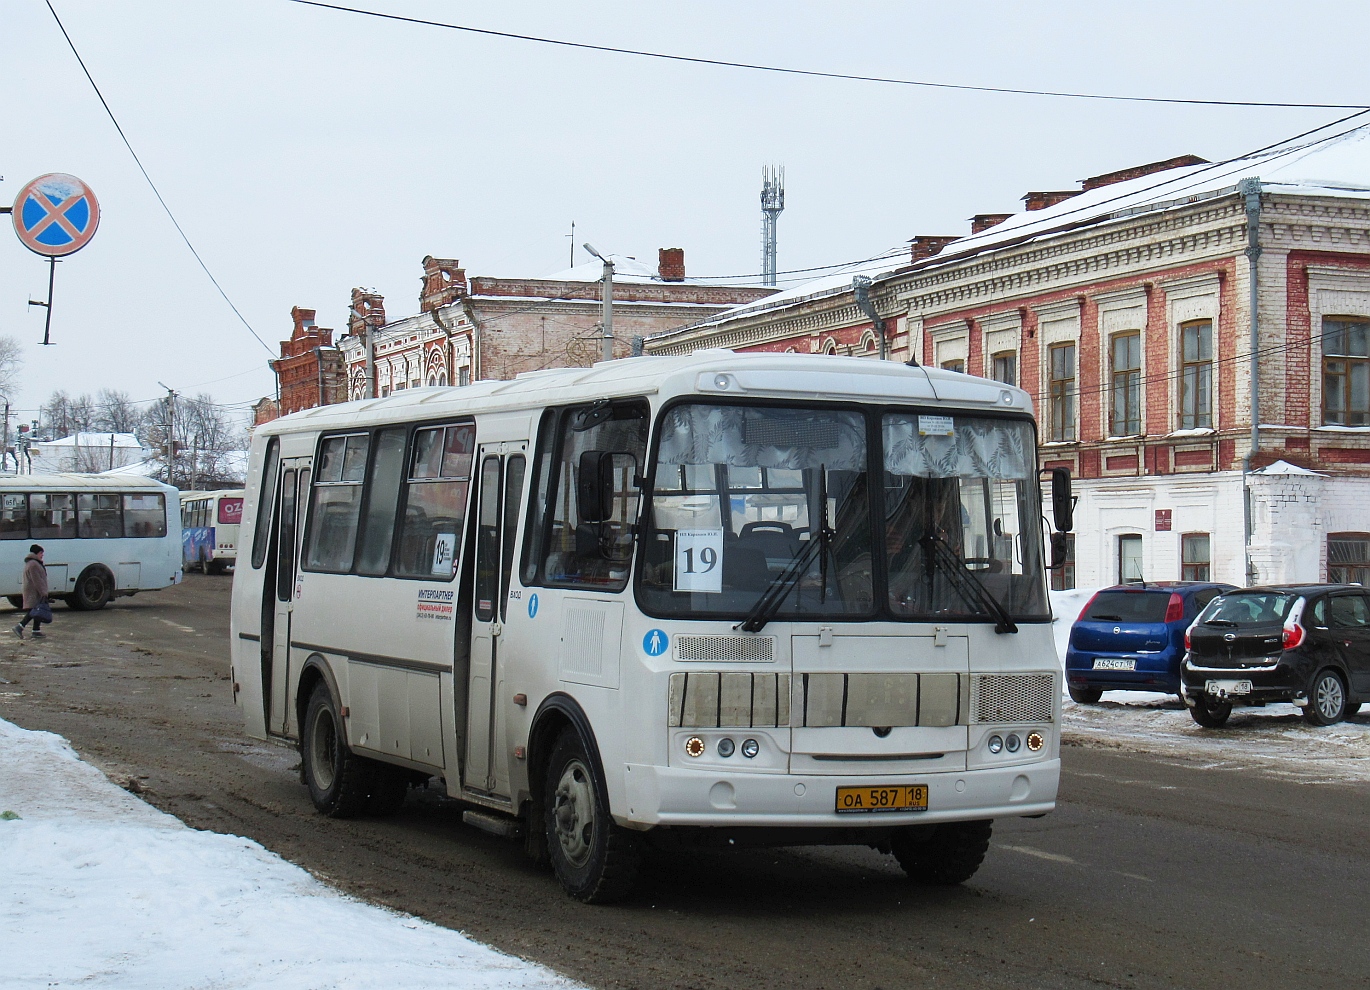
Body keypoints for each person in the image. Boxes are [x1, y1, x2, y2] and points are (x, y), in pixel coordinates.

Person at [14, 544, 49, 639]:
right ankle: (19, 627)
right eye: (41, 553)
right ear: (36, 553)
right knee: (34, 611)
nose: (42, 555)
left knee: (37, 611)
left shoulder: (32, 563)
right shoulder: (34, 564)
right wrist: (43, 592)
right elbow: (37, 580)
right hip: (34, 592)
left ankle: (36, 630)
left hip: (34, 591)